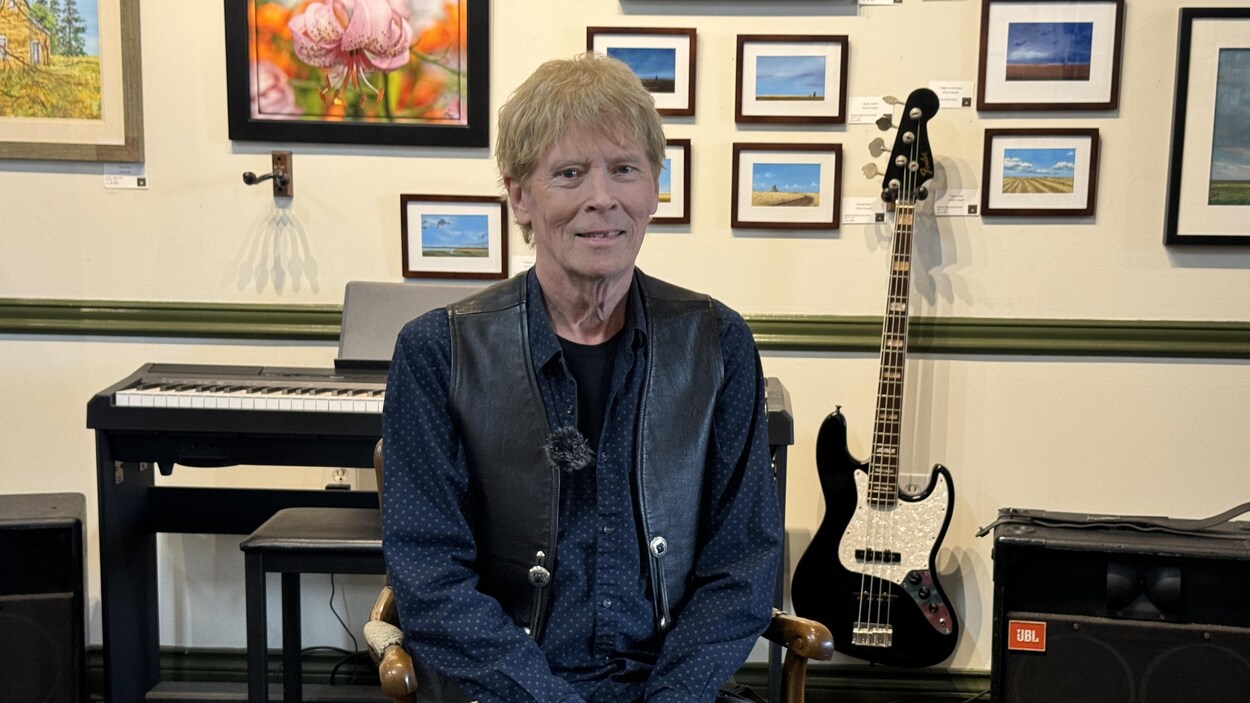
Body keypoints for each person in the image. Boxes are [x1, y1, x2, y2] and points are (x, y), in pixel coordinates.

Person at [381, 52, 782, 703]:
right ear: (520, 196)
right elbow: (430, 579)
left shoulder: (720, 342)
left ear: (655, 188)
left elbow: (743, 562)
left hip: (668, 687)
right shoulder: (436, 351)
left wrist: (672, 696)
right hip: (506, 688)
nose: (603, 198)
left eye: (624, 169)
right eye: (570, 173)